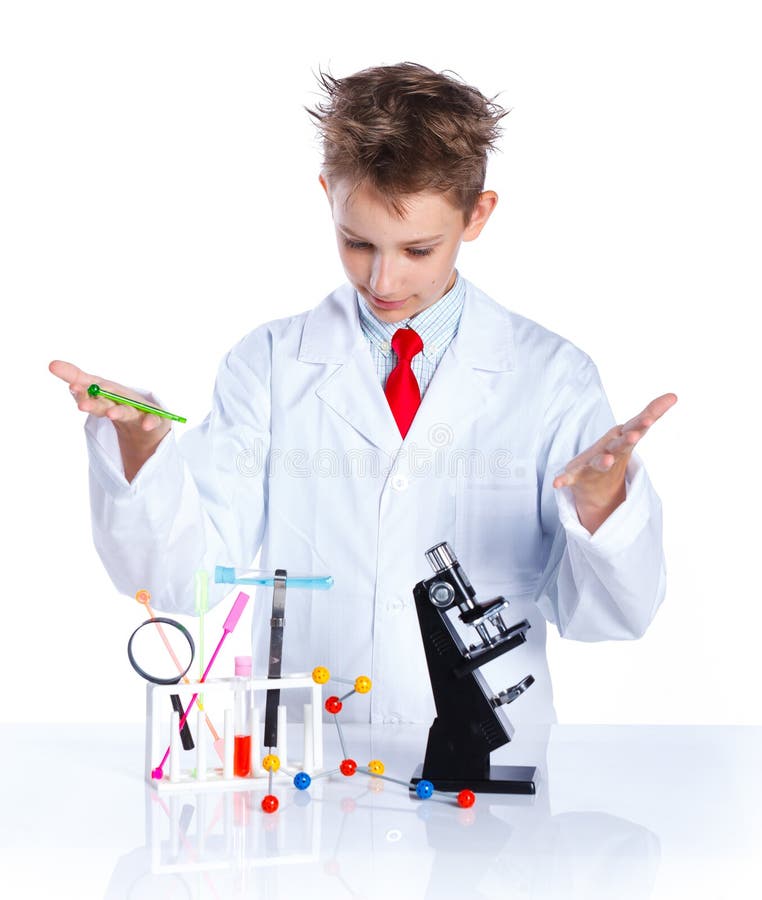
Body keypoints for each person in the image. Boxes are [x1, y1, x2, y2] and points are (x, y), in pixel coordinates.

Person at [50, 62, 676, 729]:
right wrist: (141, 451)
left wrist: (604, 506)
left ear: (478, 214)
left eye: (418, 249)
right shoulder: (269, 365)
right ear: (329, 195)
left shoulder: (552, 378)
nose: (384, 277)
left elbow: (613, 616)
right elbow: (183, 582)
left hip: (491, 773)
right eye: (357, 242)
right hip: (307, 762)